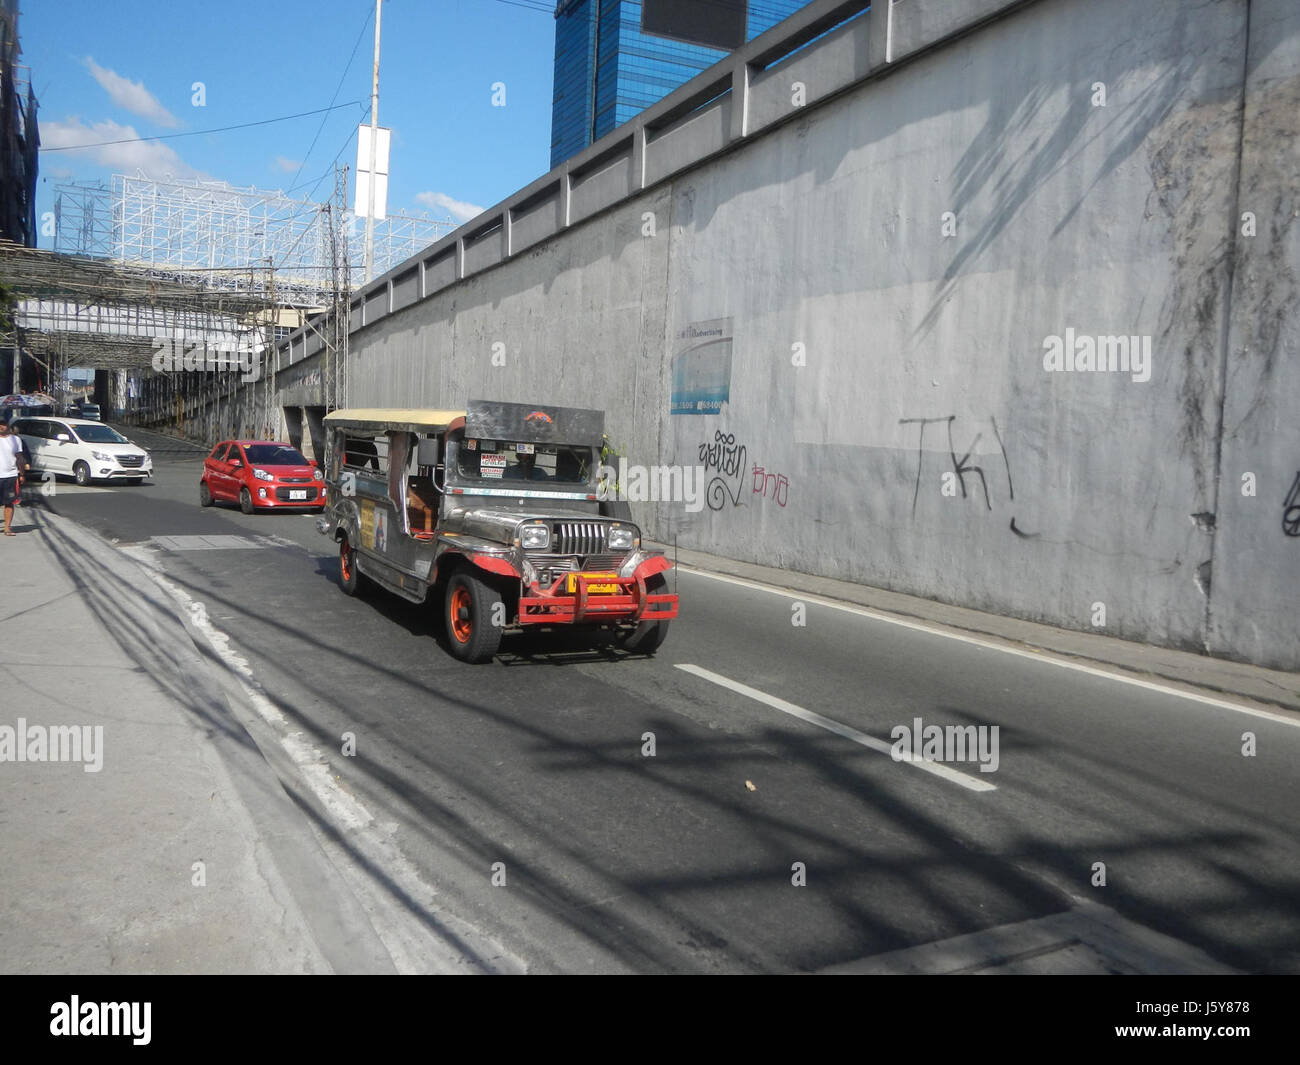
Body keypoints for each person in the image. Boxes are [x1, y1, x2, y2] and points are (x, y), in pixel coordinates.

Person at [0, 421, 28, 536]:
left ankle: (7, 528)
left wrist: (22, 474)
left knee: (9, 503)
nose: (1, 427)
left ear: (8, 427)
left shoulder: (15, 440)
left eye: (3, 425)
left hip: (10, 475)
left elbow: (20, 458)